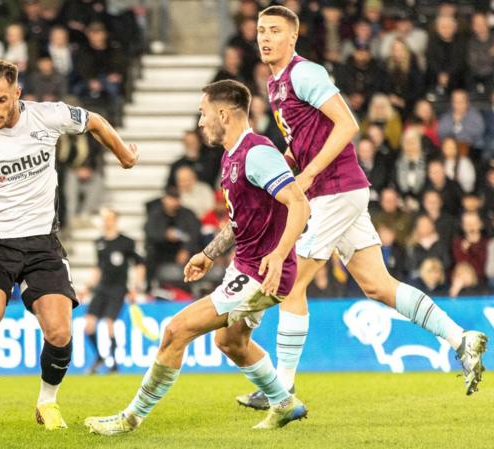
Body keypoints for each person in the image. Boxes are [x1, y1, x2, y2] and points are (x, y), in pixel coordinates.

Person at [236, 6, 488, 411]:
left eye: (275, 31)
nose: (265, 37)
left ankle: (279, 391)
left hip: (334, 189)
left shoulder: (304, 72)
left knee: (292, 284)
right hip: (340, 191)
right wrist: (284, 167)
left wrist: (309, 173)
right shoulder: (275, 82)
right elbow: (303, 140)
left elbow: (348, 124)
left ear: (293, 37)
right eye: (261, 30)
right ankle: (462, 339)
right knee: (378, 285)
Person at [84, 79, 310, 435]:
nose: (200, 122)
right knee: (230, 342)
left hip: (261, 271)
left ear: (224, 114)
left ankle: (130, 419)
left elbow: (299, 203)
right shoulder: (232, 155)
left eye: (203, 113)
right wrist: (208, 253)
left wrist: (280, 255)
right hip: (246, 266)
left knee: (176, 331)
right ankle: (283, 403)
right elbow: (241, 221)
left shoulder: (257, 153)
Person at [0, 60, 137, 430]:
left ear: (17, 93)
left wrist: (125, 156)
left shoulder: (48, 116)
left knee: (60, 332)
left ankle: (47, 402)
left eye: (1, 100)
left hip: (42, 244)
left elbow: (95, 121)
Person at [83, 207, 145, 374]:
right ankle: (99, 357)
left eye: (109, 218)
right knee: (88, 326)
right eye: (104, 219)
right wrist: (88, 287)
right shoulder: (99, 242)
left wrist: (136, 287)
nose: (107, 222)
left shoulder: (126, 242)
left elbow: (139, 264)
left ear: (116, 220)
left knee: (109, 323)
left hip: (118, 289)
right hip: (102, 287)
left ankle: (114, 363)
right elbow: (98, 267)